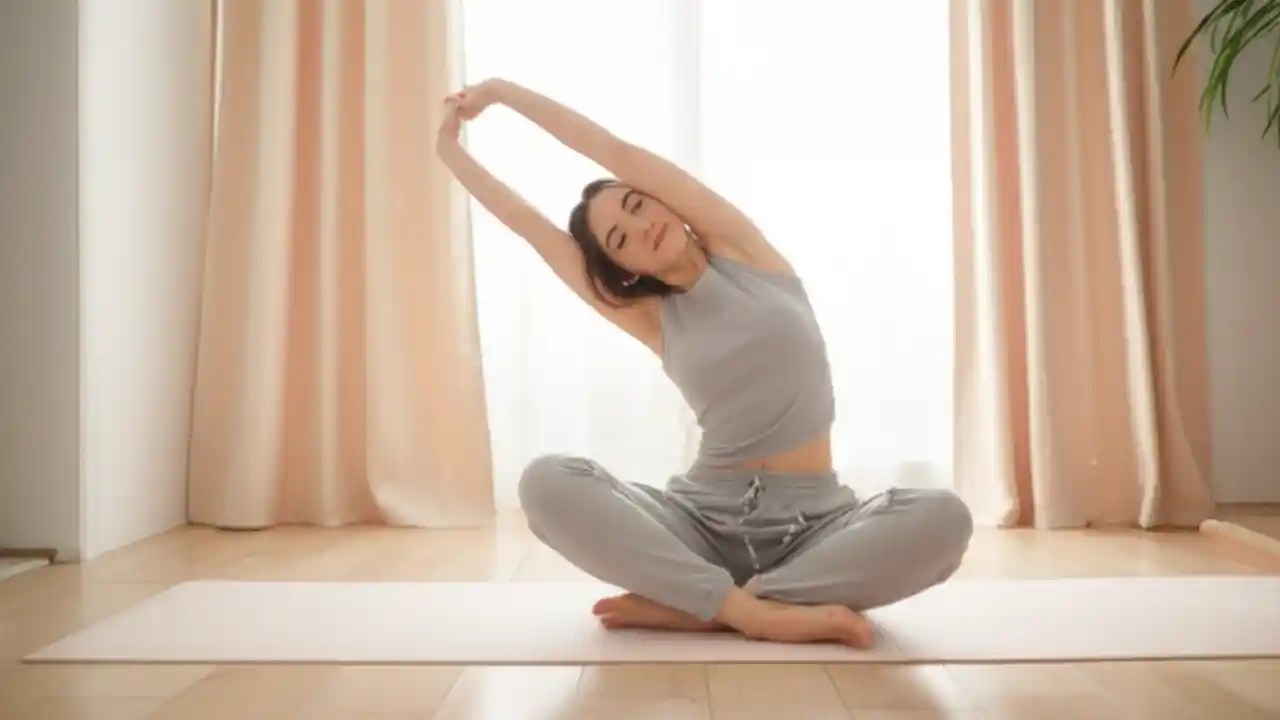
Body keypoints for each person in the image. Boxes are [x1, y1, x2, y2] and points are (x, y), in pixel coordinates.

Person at [436, 78, 973, 649]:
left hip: (815, 526)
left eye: (637, 204)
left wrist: (500, 93)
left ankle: (708, 607)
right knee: (545, 481)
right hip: (700, 522)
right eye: (621, 238)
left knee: (944, 519)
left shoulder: (744, 251)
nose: (642, 226)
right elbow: (528, 224)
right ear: (622, 269)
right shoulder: (649, 317)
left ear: (661, 197)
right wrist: (448, 151)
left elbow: (610, 149)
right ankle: (761, 612)